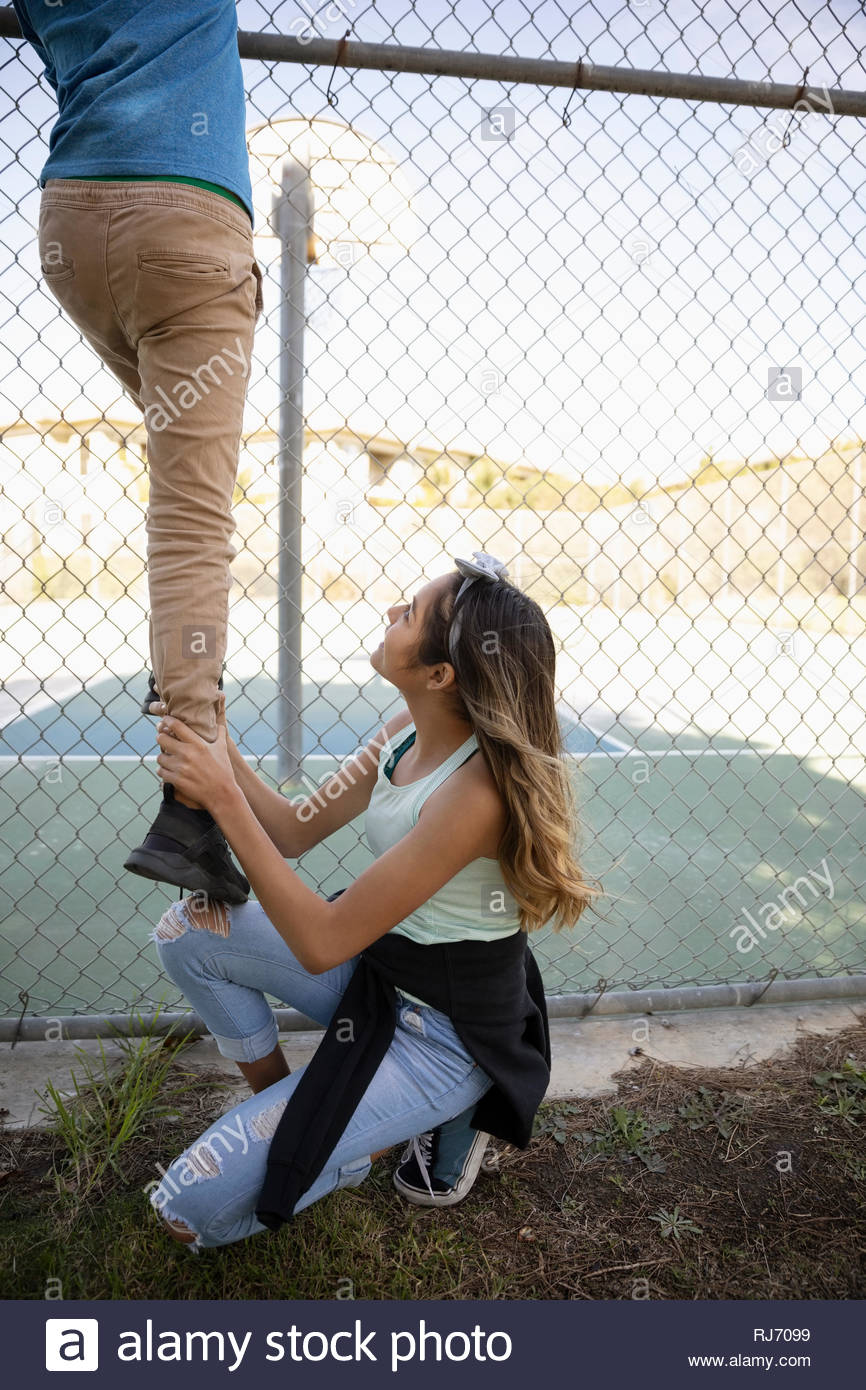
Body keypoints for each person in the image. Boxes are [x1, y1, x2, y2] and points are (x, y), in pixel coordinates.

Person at [146, 552, 603, 1249]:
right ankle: (291, 1104)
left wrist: (221, 796)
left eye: (410, 613)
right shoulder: (402, 733)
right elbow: (296, 830)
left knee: (184, 1211)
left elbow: (324, 940)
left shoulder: (473, 796)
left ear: (441, 674)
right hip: (380, 980)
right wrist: (217, 738)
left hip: (444, 1037)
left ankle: (393, 1129)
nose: (392, 611)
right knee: (187, 931)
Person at [12, 0, 261, 904]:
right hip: (187, 216)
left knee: (181, 489)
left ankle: (188, 699)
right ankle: (191, 813)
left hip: (72, 220)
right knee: (193, 516)